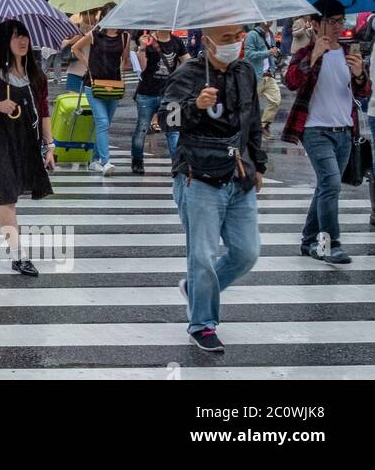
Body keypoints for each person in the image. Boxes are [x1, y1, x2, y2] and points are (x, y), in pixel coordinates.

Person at [163, 23, 266, 353]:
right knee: (202, 255)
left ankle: (196, 291)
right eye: (226, 39)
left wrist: (259, 163)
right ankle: (203, 324)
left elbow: (253, 118)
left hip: (239, 173)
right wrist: (195, 105)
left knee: (246, 252)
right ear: (206, 41)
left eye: (237, 37)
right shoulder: (189, 73)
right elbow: (166, 119)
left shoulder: (245, 71)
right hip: (199, 175)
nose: (235, 44)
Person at [283, 0, 372, 265]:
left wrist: (359, 75)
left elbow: (363, 92)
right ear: (315, 24)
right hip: (314, 129)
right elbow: (291, 82)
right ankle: (330, 243)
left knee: (326, 185)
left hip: (345, 129)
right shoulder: (304, 53)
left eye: (340, 21)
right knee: (331, 183)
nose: (338, 26)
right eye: (332, 21)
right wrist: (313, 56)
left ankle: (308, 240)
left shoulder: (349, 52)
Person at [0, 19, 55, 277]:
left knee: (4, 194)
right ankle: (18, 256)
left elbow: (44, 111)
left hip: (26, 141)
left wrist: (49, 145)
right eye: (16, 36)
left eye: (24, 36)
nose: (22, 41)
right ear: (4, 41)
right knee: (8, 198)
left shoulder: (35, 75)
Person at [72, 21, 129, 175]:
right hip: (93, 84)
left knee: (105, 124)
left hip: (114, 84)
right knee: (102, 122)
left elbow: (125, 61)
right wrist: (88, 64)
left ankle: (94, 159)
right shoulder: (95, 34)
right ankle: (105, 161)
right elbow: (75, 48)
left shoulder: (125, 36)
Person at [130, 29, 188, 174]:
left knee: (173, 131)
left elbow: (187, 61)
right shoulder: (147, 40)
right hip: (146, 93)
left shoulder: (177, 41)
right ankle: (137, 161)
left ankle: (177, 164)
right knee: (142, 129)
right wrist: (142, 48)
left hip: (170, 94)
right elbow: (142, 69)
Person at [242, 20, 282, 140]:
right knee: (248, 106)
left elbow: (272, 53)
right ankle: (245, 131)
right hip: (255, 75)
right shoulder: (252, 35)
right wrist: (268, 52)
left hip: (269, 75)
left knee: (276, 100)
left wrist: (273, 60)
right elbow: (249, 55)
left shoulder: (270, 34)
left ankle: (263, 125)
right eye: (268, 18)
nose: (270, 20)